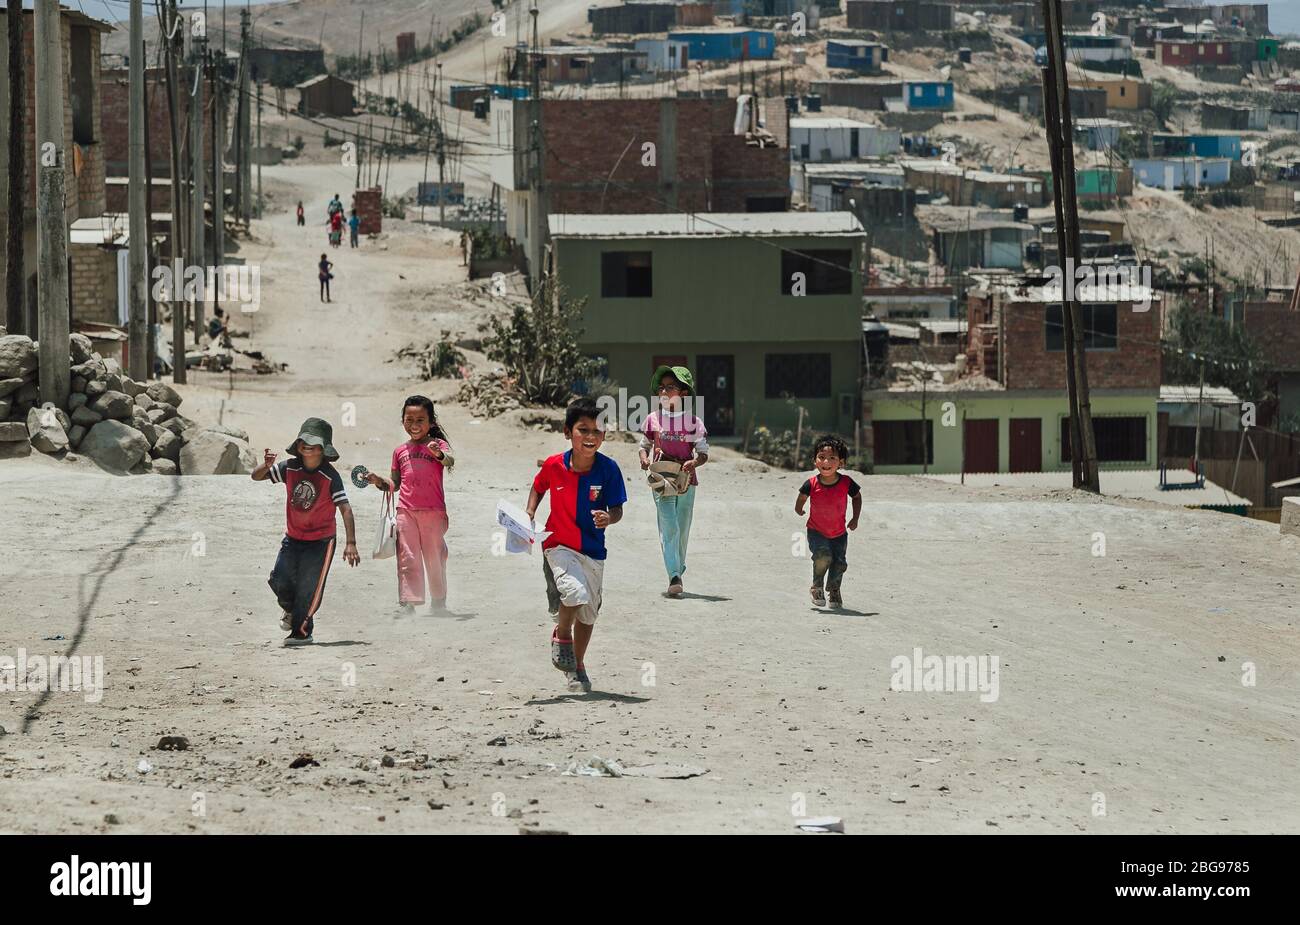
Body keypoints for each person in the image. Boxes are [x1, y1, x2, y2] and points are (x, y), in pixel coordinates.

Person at [526, 397, 627, 693]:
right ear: (568, 432)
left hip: (594, 552)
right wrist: (530, 512)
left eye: (598, 431)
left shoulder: (609, 470)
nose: (591, 436)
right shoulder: (555, 465)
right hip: (559, 545)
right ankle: (561, 633)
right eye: (583, 429)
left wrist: (609, 517)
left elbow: (618, 508)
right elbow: (537, 486)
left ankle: (576, 666)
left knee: (589, 614)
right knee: (574, 592)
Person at [251, 418, 360, 645]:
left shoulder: (330, 477)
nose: (307, 446)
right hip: (293, 538)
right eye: (303, 441)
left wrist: (351, 543)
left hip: (321, 541)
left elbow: (345, 509)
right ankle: (292, 611)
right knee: (280, 579)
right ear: (297, 445)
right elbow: (256, 476)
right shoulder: (289, 468)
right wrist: (266, 464)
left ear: (324, 448)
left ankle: (301, 631)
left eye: (313, 443)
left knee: (308, 588)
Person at [366, 396, 455, 614]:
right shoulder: (399, 451)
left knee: (434, 557)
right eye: (409, 420)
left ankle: (438, 601)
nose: (414, 425)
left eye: (420, 420)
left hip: (433, 512)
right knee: (407, 556)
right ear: (403, 421)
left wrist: (438, 453)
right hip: (405, 511)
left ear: (431, 422)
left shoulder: (437, 445)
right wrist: (378, 481)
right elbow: (394, 484)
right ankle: (408, 603)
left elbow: (449, 460)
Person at [639, 365, 708, 598]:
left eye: (671, 387)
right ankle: (674, 575)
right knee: (668, 526)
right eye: (662, 388)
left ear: (684, 393)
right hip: (661, 477)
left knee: (682, 527)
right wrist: (644, 458)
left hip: (686, 479)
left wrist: (695, 463)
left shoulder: (694, 422)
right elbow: (644, 445)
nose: (665, 392)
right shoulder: (653, 419)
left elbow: (703, 452)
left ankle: (678, 564)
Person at [794, 435, 861, 608]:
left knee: (839, 563)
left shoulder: (846, 482)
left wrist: (855, 518)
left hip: (839, 533)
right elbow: (802, 497)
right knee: (823, 557)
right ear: (815, 461)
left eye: (832, 458)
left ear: (841, 463)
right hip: (816, 530)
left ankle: (834, 590)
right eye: (822, 457)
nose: (826, 461)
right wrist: (799, 509)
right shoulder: (811, 483)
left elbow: (857, 497)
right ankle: (816, 587)